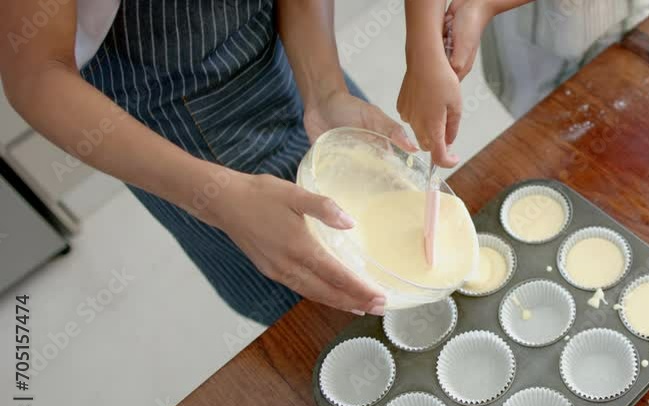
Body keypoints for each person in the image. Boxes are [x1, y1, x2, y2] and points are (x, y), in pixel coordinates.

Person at [0, 1, 523, 326]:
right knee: (320, 316)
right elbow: (36, 75)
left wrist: (324, 89)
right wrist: (223, 200)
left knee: (379, 238)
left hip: (283, 61)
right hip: (182, 133)